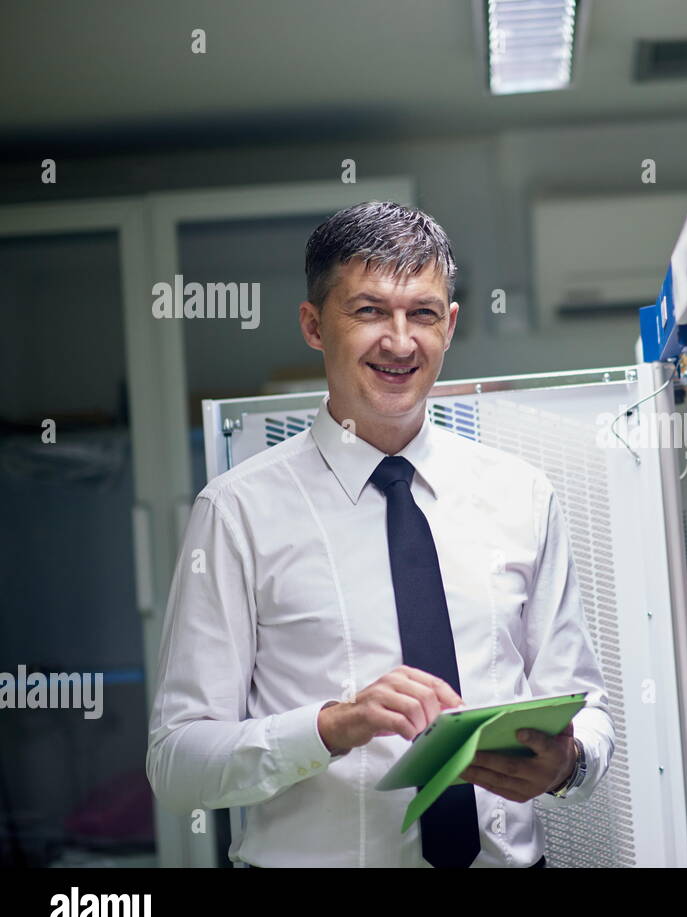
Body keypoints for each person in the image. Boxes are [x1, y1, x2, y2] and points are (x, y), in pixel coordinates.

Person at [146, 201, 614, 867]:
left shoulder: (522, 495)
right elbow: (177, 762)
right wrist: (331, 726)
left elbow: (588, 709)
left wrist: (569, 762)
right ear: (314, 324)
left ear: (449, 326)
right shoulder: (237, 511)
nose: (399, 341)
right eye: (368, 311)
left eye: (422, 313)